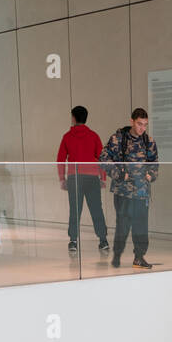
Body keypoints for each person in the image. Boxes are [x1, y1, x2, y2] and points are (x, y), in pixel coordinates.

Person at [100, 107, 159, 269]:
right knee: (123, 225)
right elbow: (103, 158)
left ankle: (139, 257)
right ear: (131, 121)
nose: (142, 128)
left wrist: (151, 175)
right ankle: (117, 256)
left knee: (141, 225)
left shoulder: (149, 141)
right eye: (139, 124)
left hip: (141, 192)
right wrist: (119, 174)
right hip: (123, 192)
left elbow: (155, 163)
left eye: (145, 125)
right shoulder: (118, 139)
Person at [56, 105, 109, 254]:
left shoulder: (67, 137)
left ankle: (73, 241)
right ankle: (103, 240)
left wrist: (62, 178)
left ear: (73, 118)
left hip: (75, 178)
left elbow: (60, 159)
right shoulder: (94, 136)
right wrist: (103, 178)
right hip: (92, 178)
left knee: (75, 210)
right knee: (97, 209)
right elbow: (102, 159)